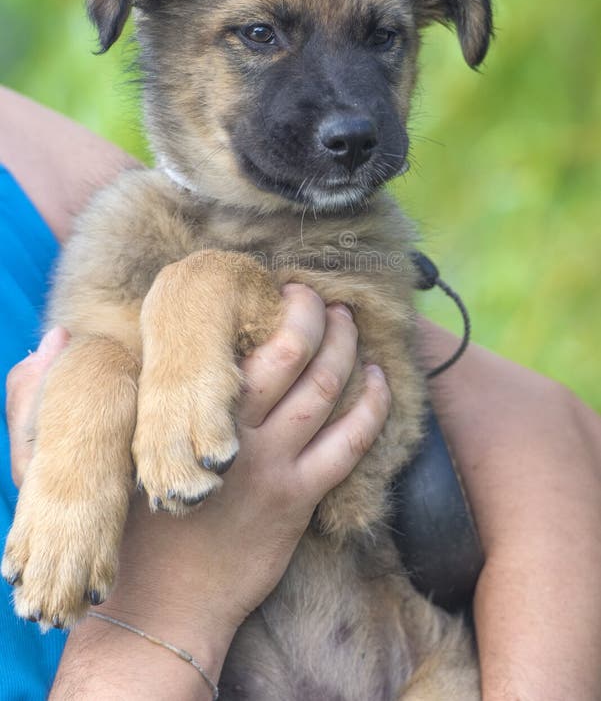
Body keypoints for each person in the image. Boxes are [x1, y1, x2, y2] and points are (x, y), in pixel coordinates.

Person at [1, 84, 600, 700]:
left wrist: (195, 302)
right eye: (260, 35)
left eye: (383, 36)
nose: (346, 114)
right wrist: (162, 614)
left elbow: (544, 430)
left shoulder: (24, 152)